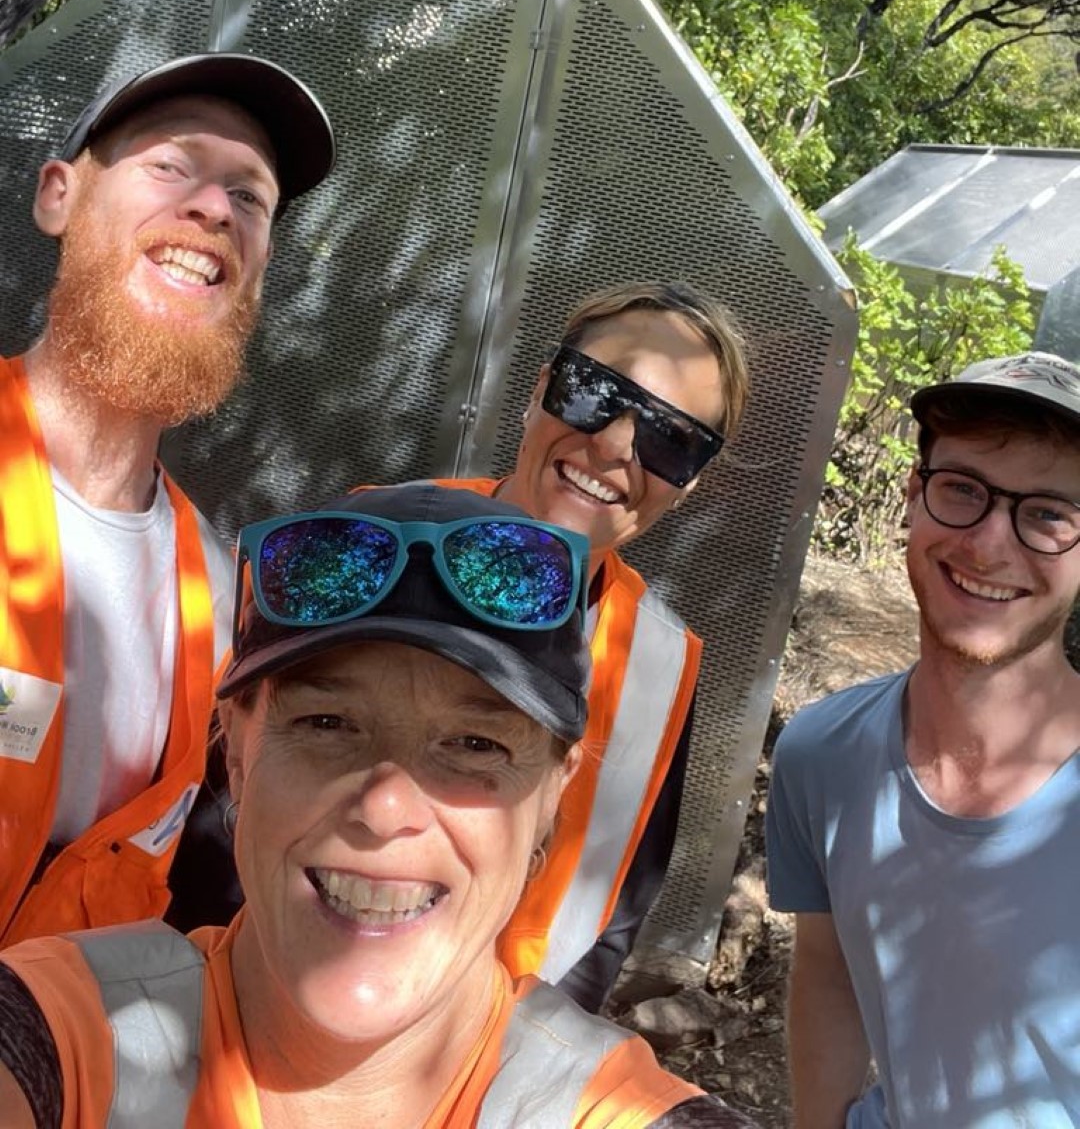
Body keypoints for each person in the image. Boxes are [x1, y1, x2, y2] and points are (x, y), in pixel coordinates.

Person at [0, 483, 760, 1129]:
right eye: (327, 723)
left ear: (551, 798)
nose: (386, 805)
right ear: (235, 749)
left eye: (475, 744)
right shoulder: (65, 1034)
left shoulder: (610, 1109)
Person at [0, 52, 335, 947]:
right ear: (59, 196)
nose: (214, 208)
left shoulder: (219, 596)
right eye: (171, 165)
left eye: (251, 197)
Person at [766, 350, 1080, 1128]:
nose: (989, 544)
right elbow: (831, 976)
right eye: (963, 489)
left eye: (1048, 513)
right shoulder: (821, 756)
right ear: (914, 495)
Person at [443, 281, 749, 1009]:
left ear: (689, 482)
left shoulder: (658, 666)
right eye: (593, 392)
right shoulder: (365, 542)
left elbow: (614, 911)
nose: (613, 446)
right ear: (540, 389)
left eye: (671, 438)